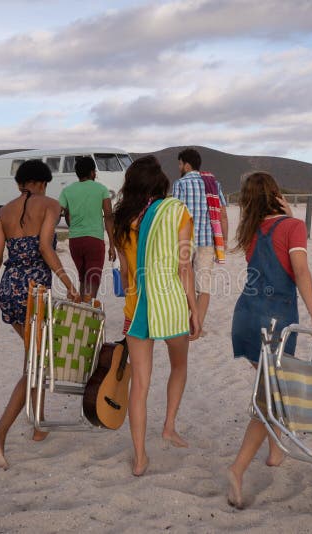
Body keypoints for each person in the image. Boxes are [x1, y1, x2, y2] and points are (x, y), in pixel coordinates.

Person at [226, 171, 312, 508]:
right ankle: (237, 470)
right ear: (276, 194)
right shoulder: (292, 226)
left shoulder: (251, 230)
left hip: (246, 316)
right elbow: (300, 271)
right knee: (268, 397)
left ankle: (274, 453)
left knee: (269, 386)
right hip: (275, 320)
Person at [0, 159, 80, 470]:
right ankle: (0, 431)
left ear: (21, 182)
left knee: (36, 356)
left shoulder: (4, 211)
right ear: (42, 182)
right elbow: (46, 248)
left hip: (9, 290)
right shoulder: (50, 205)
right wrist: (68, 282)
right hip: (34, 292)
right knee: (36, 363)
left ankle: (38, 425)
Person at [112, 155, 201, 477]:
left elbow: (123, 272)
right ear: (160, 183)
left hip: (137, 309)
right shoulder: (177, 212)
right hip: (171, 304)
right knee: (179, 365)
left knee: (140, 385)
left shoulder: (121, 220)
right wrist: (194, 309)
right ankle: (169, 427)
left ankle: (139, 458)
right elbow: (184, 266)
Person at [172, 148, 228, 332]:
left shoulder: (179, 184)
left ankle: (182, 322)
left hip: (185, 241)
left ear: (186, 165)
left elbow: (176, 214)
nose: (179, 167)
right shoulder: (213, 184)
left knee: (183, 282)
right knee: (204, 286)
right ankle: (198, 326)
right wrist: (223, 241)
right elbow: (222, 216)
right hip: (207, 242)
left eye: (180, 164)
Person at [59, 156, 116, 299]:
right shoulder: (102, 189)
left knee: (83, 278)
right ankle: (87, 311)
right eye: (94, 171)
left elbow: (63, 214)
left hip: (75, 241)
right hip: (94, 240)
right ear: (92, 173)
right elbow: (108, 217)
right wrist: (112, 244)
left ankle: (81, 312)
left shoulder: (67, 191)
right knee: (93, 278)